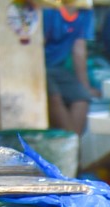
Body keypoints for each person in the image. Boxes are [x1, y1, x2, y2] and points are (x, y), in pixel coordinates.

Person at [43, 0, 96, 137]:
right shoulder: (49, 10)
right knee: (54, 97)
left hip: (58, 69)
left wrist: (85, 86)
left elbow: (79, 49)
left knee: (82, 98)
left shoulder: (85, 12)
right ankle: (71, 147)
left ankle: (72, 146)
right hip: (39, 68)